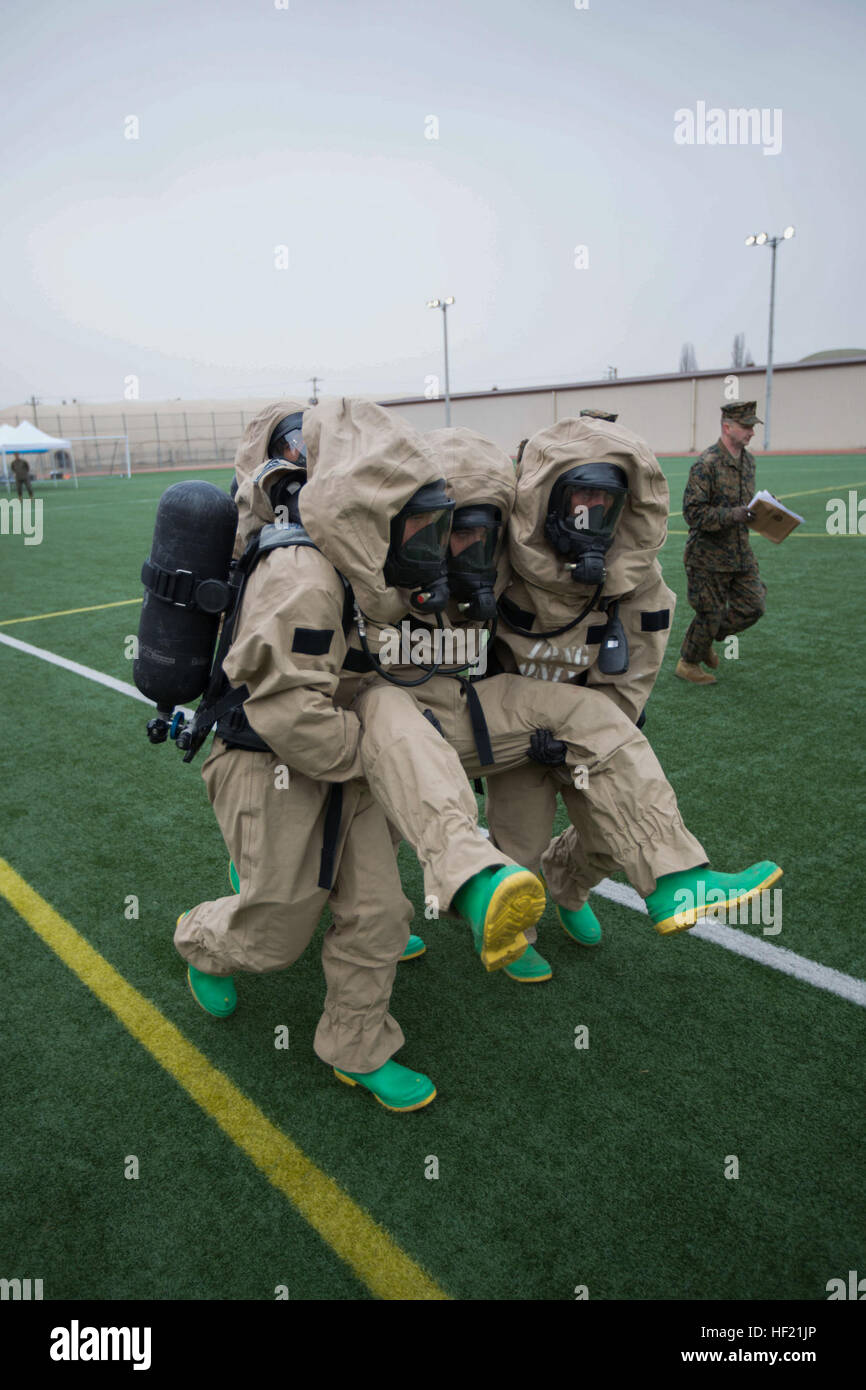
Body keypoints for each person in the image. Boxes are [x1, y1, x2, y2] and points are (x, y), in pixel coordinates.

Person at [301, 419, 781, 972]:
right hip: (399, 725)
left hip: (517, 714)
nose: (464, 546)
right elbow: (311, 680)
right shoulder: (366, 567)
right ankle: (487, 911)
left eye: (603, 502)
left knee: (596, 803)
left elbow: (627, 671)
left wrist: (576, 749)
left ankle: (657, 879)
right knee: (468, 840)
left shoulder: (588, 569)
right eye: (447, 528)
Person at [175, 400, 545, 1111]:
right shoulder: (303, 575)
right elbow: (286, 713)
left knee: (378, 912)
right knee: (278, 929)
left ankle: (356, 1044)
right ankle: (202, 938)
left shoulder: (367, 557)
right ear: (367, 511)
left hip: (341, 743)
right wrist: (379, 754)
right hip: (268, 759)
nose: (429, 539)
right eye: (420, 524)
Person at [675, 401, 767, 685]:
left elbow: (745, 504)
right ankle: (688, 663)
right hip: (708, 556)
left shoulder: (748, 462)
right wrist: (732, 515)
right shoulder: (707, 464)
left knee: (754, 605)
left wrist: (765, 509)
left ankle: (703, 642)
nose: (751, 432)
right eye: (746, 426)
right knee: (709, 612)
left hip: (740, 552)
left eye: (753, 426)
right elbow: (693, 512)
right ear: (727, 427)